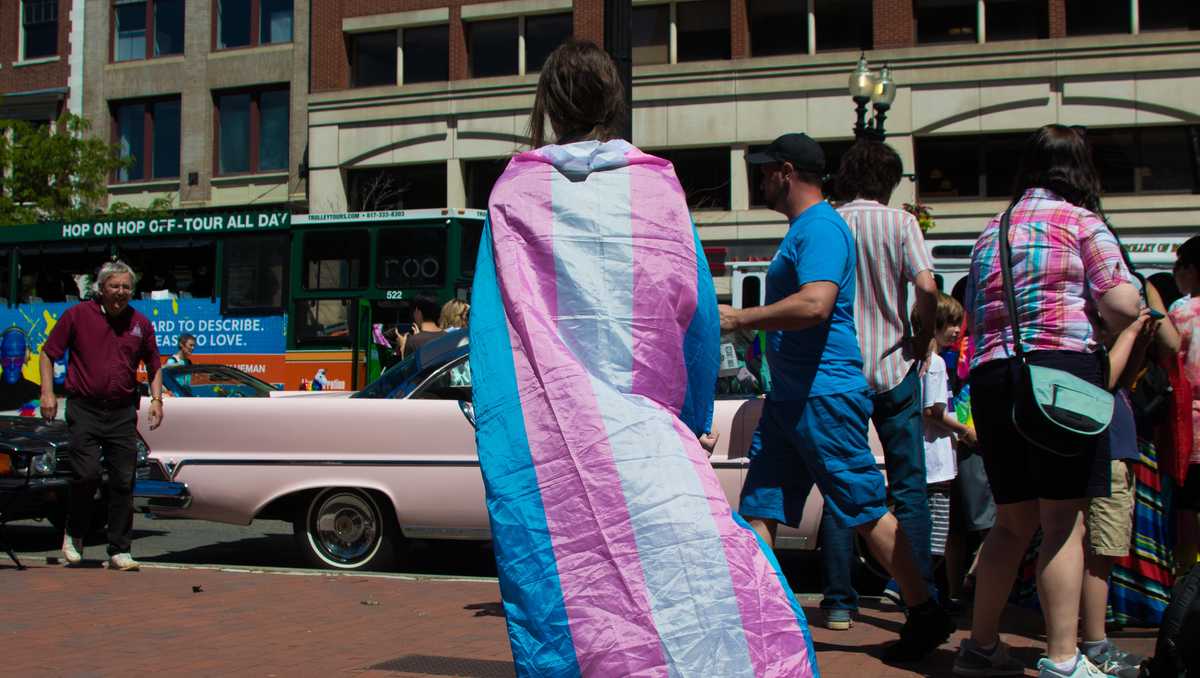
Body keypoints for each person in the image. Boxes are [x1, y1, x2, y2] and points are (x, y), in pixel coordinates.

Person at [470, 40, 818, 676]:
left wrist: (507, 440)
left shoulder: (513, 194)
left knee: (573, 598)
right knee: (694, 580)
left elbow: (497, 336)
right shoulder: (657, 189)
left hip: (556, 442)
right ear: (614, 100)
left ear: (547, 105)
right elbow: (696, 317)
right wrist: (686, 417)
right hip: (648, 427)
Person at [721, 132, 953, 661]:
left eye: (762, 171)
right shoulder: (806, 228)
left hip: (823, 395)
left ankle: (925, 610)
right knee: (761, 504)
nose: (759, 182)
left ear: (784, 171)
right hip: (792, 398)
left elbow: (816, 303)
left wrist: (740, 317)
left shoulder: (822, 227)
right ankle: (762, 616)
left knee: (865, 508)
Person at [953, 124, 1140, 678]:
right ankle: (1063, 656)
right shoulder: (1083, 222)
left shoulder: (992, 229)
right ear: (1079, 169)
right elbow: (1125, 305)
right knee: (1064, 521)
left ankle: (980, 646)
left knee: (1010, 524)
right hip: (1059, 375)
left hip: (991, 379)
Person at [818, 138, 942, 630]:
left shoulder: (830, 222)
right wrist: (921, 334)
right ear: (889, 181)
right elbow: (927, 286)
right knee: (910, 487)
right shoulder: (901, 222)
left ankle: (838, 600)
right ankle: (913, 595)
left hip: (842, 369)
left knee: (842, 485)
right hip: (895, 368)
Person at [39, 260, 166, 572]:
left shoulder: (140, 323)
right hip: (84, 408)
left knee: (124, 479)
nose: (120, 292)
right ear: (101, 288)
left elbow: (154, 364)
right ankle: (75, 532)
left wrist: (157, 399)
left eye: (126, 287)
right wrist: (47, 392)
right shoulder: (77, 316)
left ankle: (120, 550)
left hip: (122, 411)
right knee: (87, 474)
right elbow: (47, 353)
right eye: (114, 286)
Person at [915, 294, 976, 561]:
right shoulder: (936, 363)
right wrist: (964, 430)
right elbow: (932, 410)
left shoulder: (916, 358)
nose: (955, 330)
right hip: (937, 463)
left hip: (923, 459)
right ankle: (914, 589)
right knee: (936, 540)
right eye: (949, 323)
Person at [0, 327, 42, 411]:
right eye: (7, 360)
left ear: (25, 357)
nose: (12, 366)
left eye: (17, 360)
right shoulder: (37, 392)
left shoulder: (38, 393)